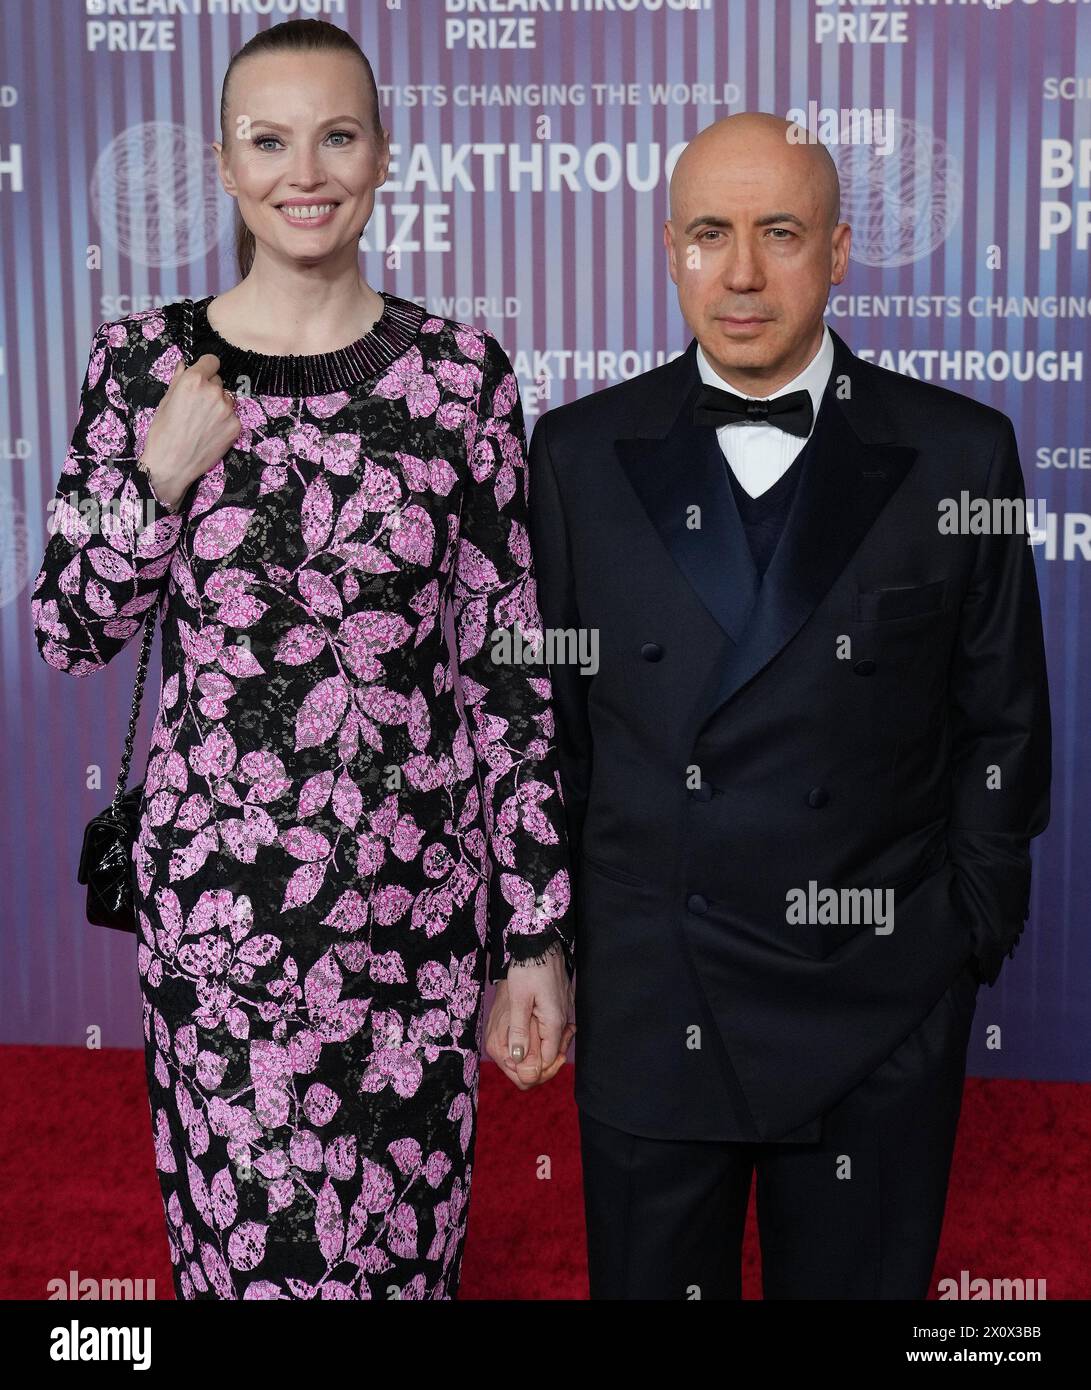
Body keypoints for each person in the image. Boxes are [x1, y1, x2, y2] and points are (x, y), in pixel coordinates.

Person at [31, 17, 574, 1301]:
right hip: (223, 927)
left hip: (413, 922)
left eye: (336, 135)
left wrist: (536, 935)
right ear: (225, 166)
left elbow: (509, 666)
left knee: (400, 1269)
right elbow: (69, 629)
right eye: (269, 141)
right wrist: (156, 478)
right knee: (242, 1272)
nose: (305, 170)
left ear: (383, 155)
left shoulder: (459, 379)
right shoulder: (141, 367)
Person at [528, 112, 1052, 1299]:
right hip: (655, 995)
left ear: (838, 250)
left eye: (779, 232)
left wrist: (961, 936)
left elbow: (1002, 722)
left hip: (875, 997)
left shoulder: (958, 455)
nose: (743, 272)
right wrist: (546, 943)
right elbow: (547, 729)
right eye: (709, 234)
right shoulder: (574, 453)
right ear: (668, 251)